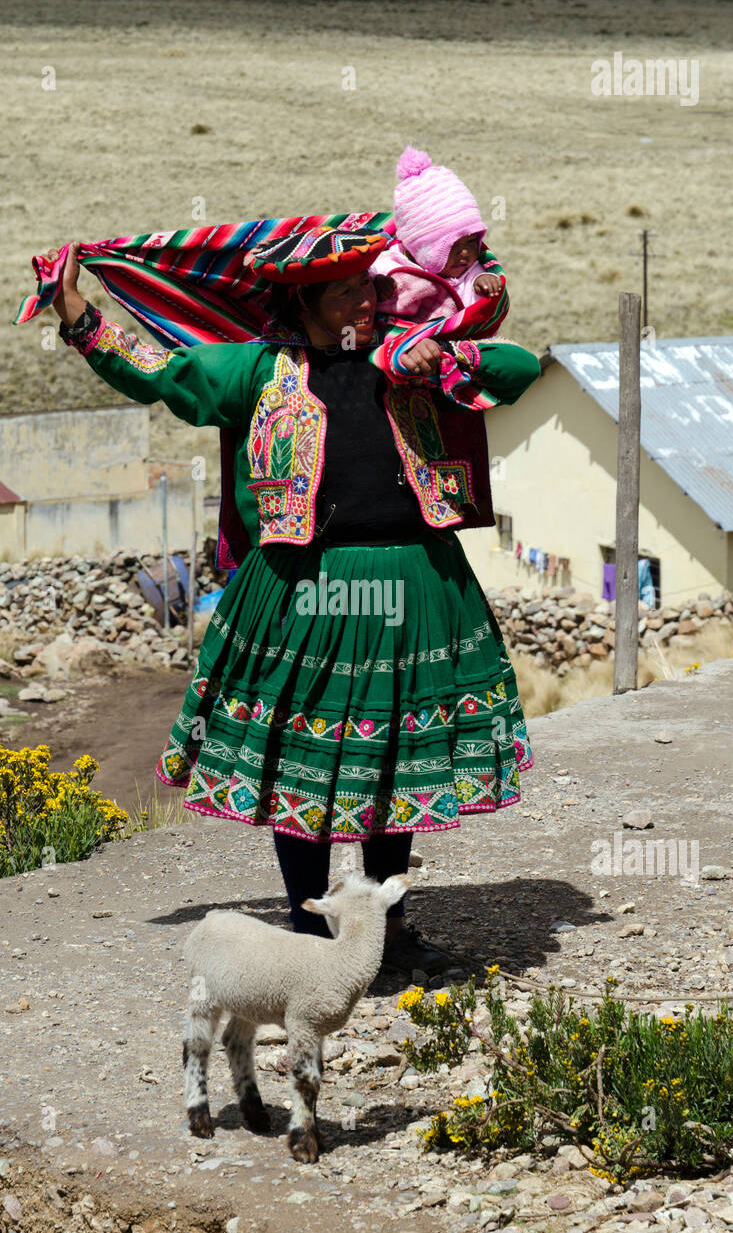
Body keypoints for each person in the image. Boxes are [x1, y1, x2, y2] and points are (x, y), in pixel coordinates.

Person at [41, 223, 540, 976]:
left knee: (391, 760)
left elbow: (517, 368)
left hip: (415, 579)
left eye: (370, 285)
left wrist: (447, 355)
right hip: (305, 587)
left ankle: (384, 928)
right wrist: (77, 313)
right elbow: (157, 373)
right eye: (346, 292)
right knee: (303, 761)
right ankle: (308, 934)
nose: (367, 301)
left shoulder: (410, 354)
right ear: (303, 304)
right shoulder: (255, 370)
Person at [369, 146, 506, 325]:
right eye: (452, 244)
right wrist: (377, 284)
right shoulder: (391, 263)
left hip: (454, 336)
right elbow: (363, 279)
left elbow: (477, 307)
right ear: (421, 248)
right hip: (403, 336)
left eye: (472, 240)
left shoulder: (469, 272)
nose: (465, 252)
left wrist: (484, 282)